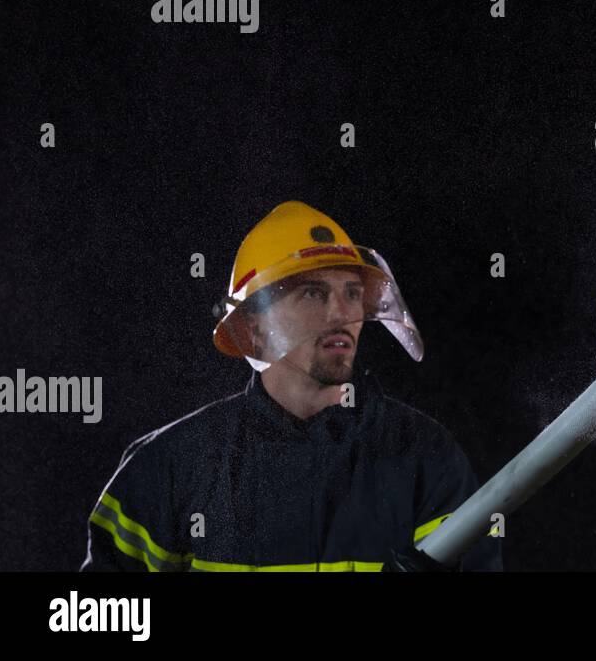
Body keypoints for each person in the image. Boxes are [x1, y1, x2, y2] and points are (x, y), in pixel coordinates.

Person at [81, 200, 500, 572]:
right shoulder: (171, 467)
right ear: (254, 327)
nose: (341, 313)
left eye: (353, 292)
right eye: (313, 294)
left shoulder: (424, 458)